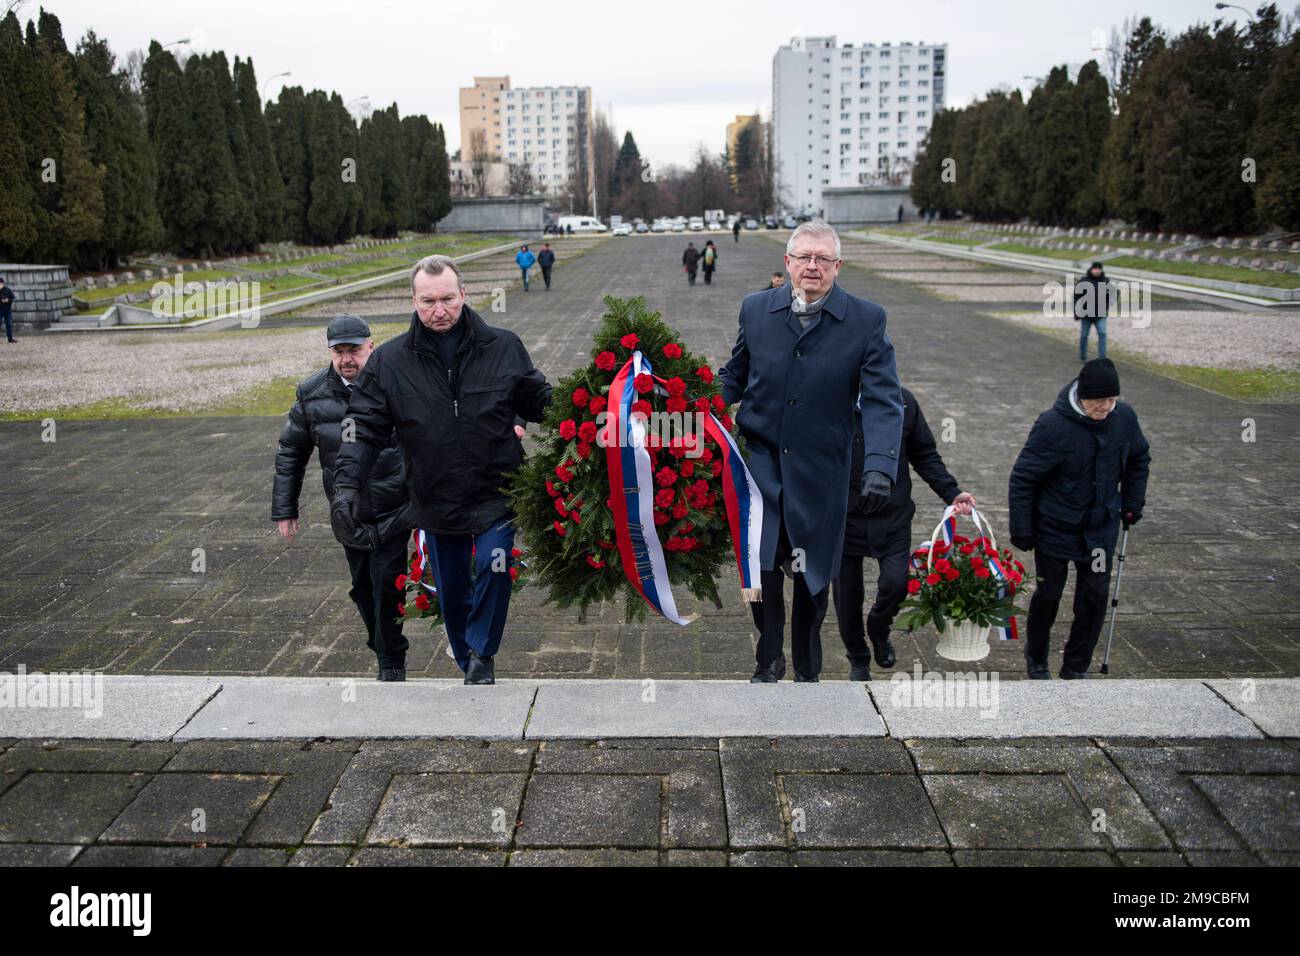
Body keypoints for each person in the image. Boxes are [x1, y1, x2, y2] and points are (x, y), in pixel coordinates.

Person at [331, 255, 552, 685]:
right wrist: (346, 485)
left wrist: (592, 412)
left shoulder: (503, 346)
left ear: (464, 295)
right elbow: (362, 428)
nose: (440, 310)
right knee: (452, 589)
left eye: (448, 298)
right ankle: (467, 654)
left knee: (494, 562)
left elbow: (538, 398)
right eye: (428, 301)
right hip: (435, 497)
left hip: (499, 489)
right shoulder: (390, 362)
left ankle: (482, 656)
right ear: (413, 301)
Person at [720, 220, 904, 683]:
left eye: (822, 259)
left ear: (838, 267)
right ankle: (768, 656)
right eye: (803, 256)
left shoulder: (866, 320)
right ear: (787, 262)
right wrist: (680, 397)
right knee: (761, 567)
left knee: (812, 577)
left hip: (821, 472)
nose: (812, 266)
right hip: (760, 465)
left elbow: (884, 400)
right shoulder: (756, 309)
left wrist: (880, 466)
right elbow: (733, 378)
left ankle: (806, 665)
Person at [272, 315, 416, 681]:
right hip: (347, 511)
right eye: (339, 351)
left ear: (371, 346)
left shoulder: (396, 384)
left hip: (394, 507)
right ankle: (381, 644)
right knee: (362, 588)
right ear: (330, 353)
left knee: (387, 584)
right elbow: (291, 451)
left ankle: (390, 660)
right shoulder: (311, 394)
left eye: (354, 349)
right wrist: (285, 509)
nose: (347, 359)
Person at [1008, 358, 1151, 679]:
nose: (1106, 406)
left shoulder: (1124, 418)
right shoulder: (1052, 426)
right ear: (1082, 396)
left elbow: (1139, 457)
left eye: (1112, 399)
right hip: (1055, 530)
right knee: (1049, 595)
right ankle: (1037, 659)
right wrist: (1022, 527)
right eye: (1098, 400)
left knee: (1095, 596)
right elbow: (1023, 478)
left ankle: (1076, 667)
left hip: (1100, 532)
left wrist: (1132, 501)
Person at [833, 388, 976, 680]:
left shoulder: (903, 402)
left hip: (892, 516)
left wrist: (952, 492)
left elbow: (924, 453)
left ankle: (879, 628)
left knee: (897, 582)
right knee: (847, 595)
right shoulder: (830, 398)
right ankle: (858, 658)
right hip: (843, 518)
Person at [1074, 261, 1112, 361]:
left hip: (1100, 314)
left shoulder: (1106, 281)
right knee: (1084, 335)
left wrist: (1107, 305)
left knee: (1102, 333)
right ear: (1091, 269)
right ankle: (1083, 356)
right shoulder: (1084, 281)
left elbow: (1112, 295)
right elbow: (1077, 297)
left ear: (1101, 270)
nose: (1097, 270)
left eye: (1099, 269)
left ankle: (1102, 358)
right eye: (1095, 268)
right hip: (1086, 314)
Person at [0, 276, 15, 343]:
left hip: (7, 310)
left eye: (0, 283)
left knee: (9, 324)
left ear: (3, 283)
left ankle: (10, 338)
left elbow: (12, 298)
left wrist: (8, 300)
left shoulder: (8, 290)